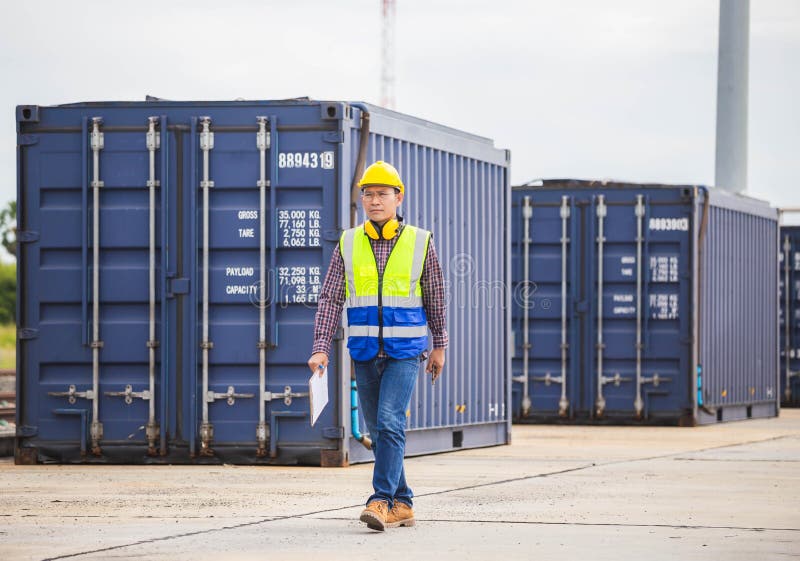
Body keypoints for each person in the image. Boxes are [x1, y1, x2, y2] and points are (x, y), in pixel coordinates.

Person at [307, 160, 448, 531]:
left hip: (406, 351)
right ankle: (404, 503)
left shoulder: (420, 241)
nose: (374, 201)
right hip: (365, 351)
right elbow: (330, 298)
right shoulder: (348, 242)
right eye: (368, 194)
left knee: (388, 421)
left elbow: (435, 296)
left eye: (382, 194)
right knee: (380, 429)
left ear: (398, 198)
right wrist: (321, 347)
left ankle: (380, 500)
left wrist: (440, 344)